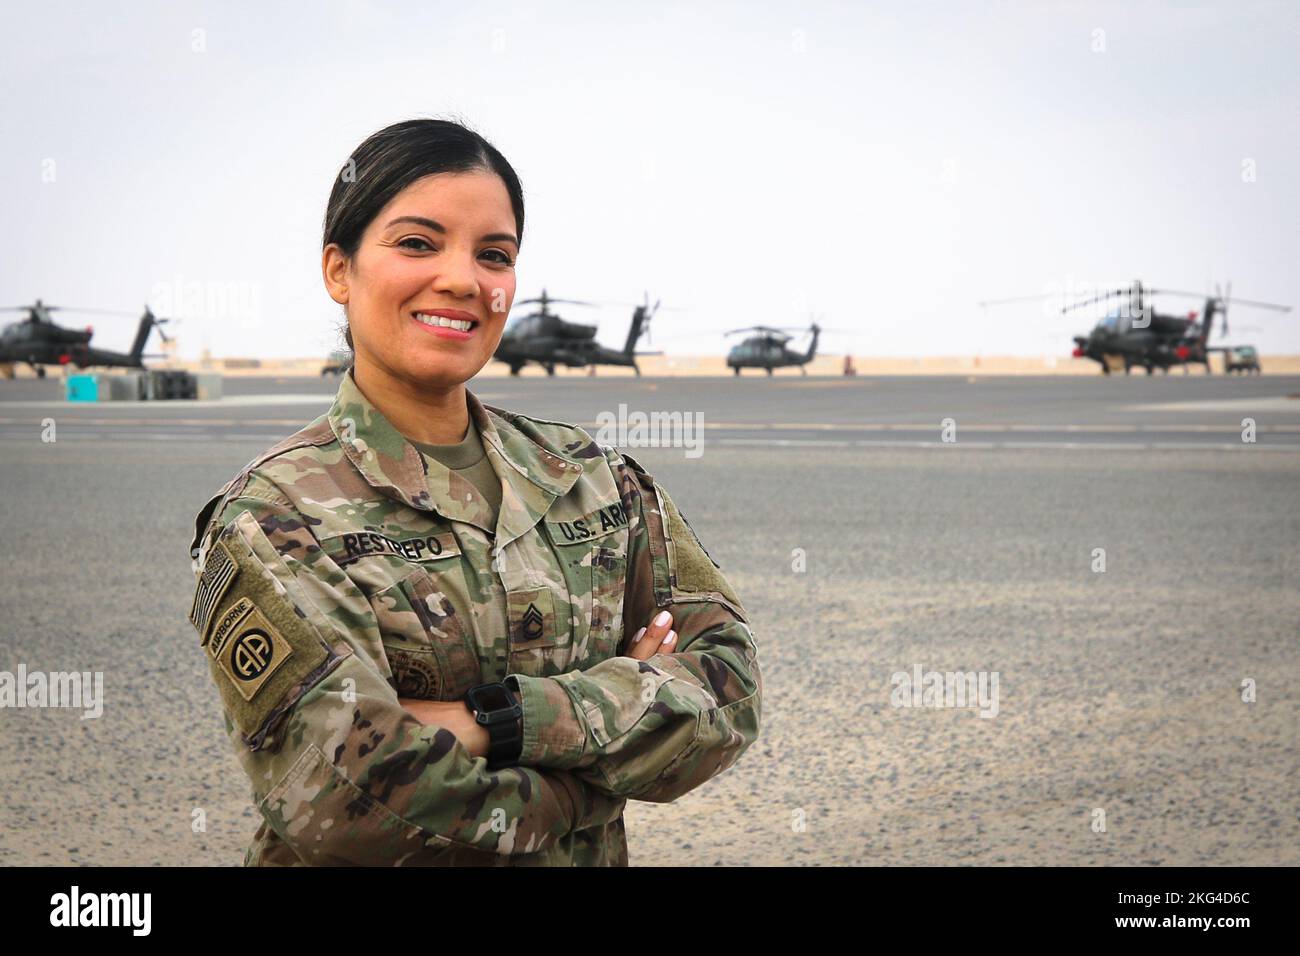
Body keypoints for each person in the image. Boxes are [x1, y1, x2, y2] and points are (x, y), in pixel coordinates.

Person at [185, 118, 762, 866]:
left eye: (494, 254)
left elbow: (730, 688)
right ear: (339, 270)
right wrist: (596, 776)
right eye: (418, 243)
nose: (463, 279)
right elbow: (345, 798)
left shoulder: (594, 477)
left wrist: (500, 722)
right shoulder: (273, 516)